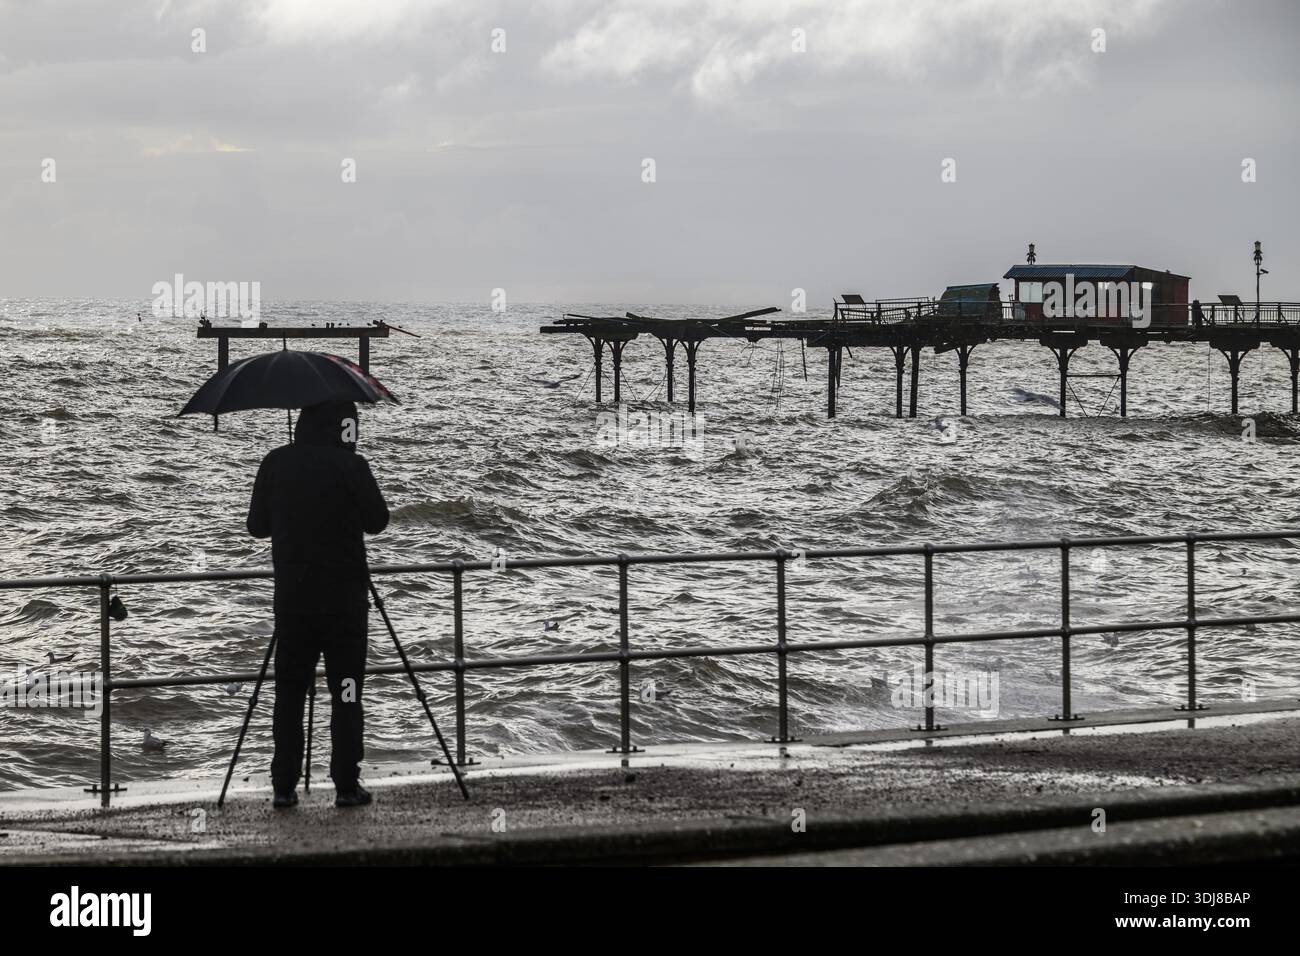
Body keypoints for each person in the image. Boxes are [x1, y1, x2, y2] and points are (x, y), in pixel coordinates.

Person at [247, 399, 389, 808]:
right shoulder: (352, 466)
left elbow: (256, 527)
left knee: (289, 694)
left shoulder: (275, 462)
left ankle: (284, 786)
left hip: (293, 602)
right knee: (346, 692)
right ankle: (346, 783)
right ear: (343, 426)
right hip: (345, 604)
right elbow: (377, 520)